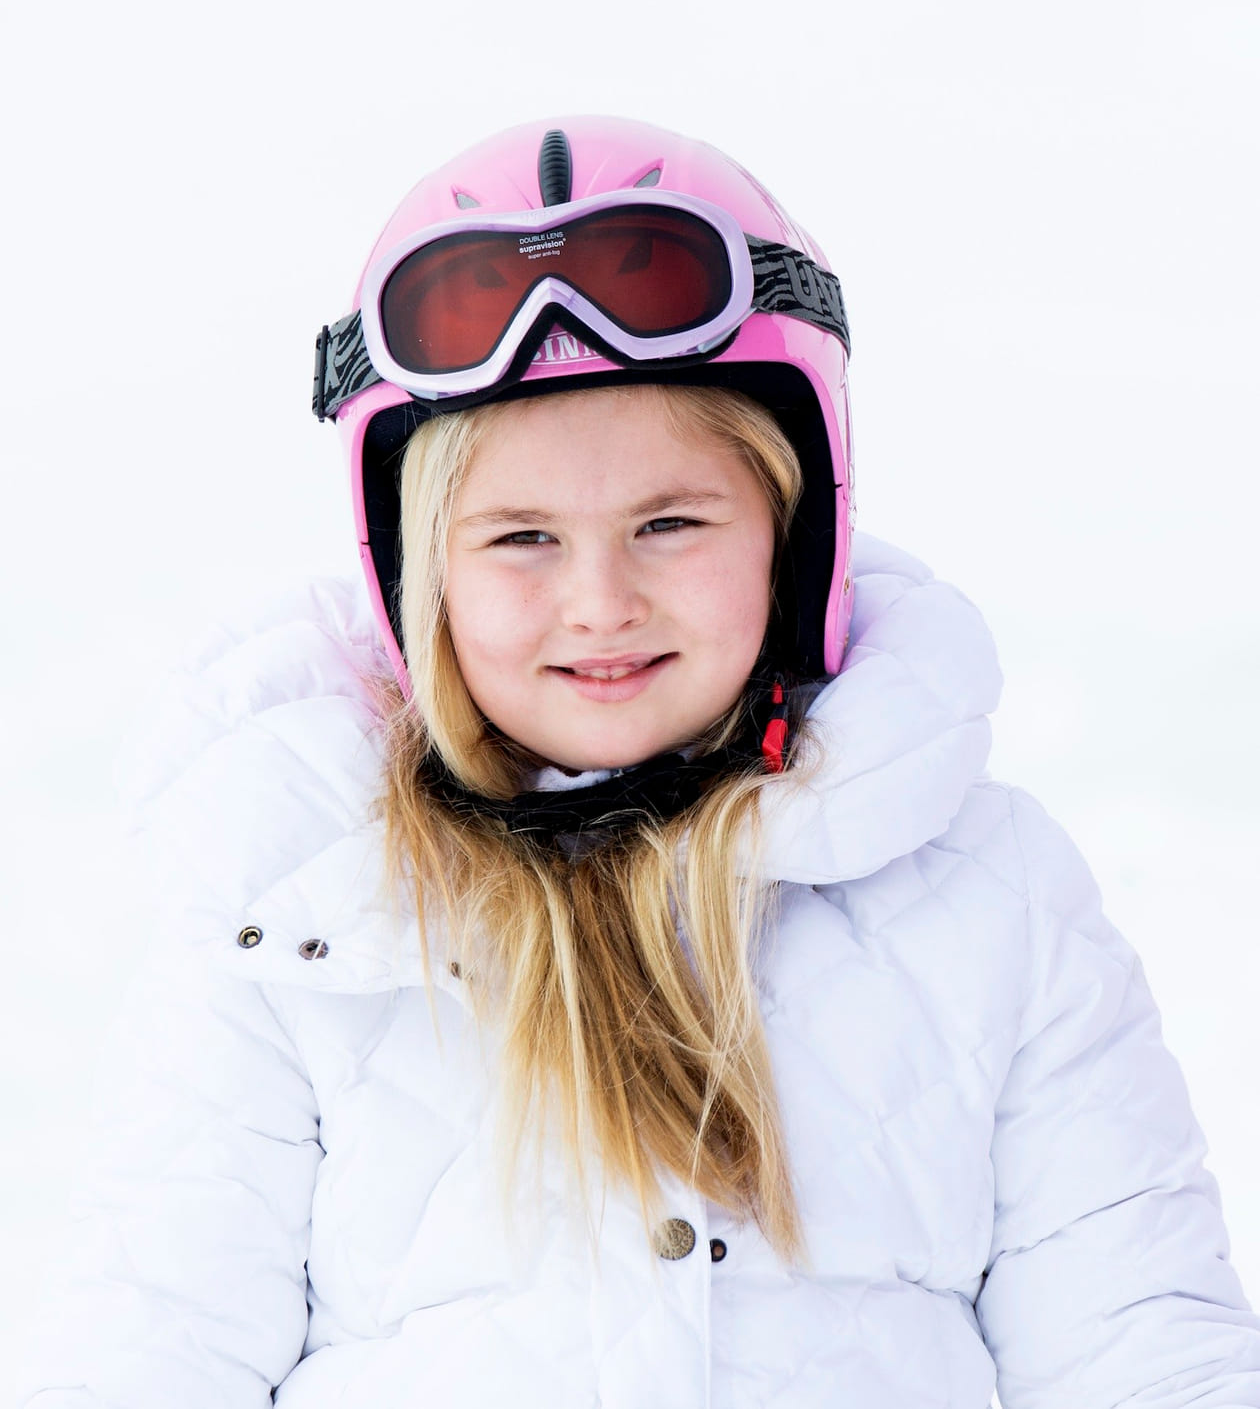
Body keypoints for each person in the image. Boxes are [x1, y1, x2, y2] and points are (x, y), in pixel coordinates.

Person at [17, 117, 1260, 1409]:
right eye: (521, 538)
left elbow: (1138, 1340)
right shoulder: (299, 913)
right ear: (419, 574)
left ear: (795, 534)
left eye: (669, 523)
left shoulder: (984, 891)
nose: (600, 602)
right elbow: (149, 1341)